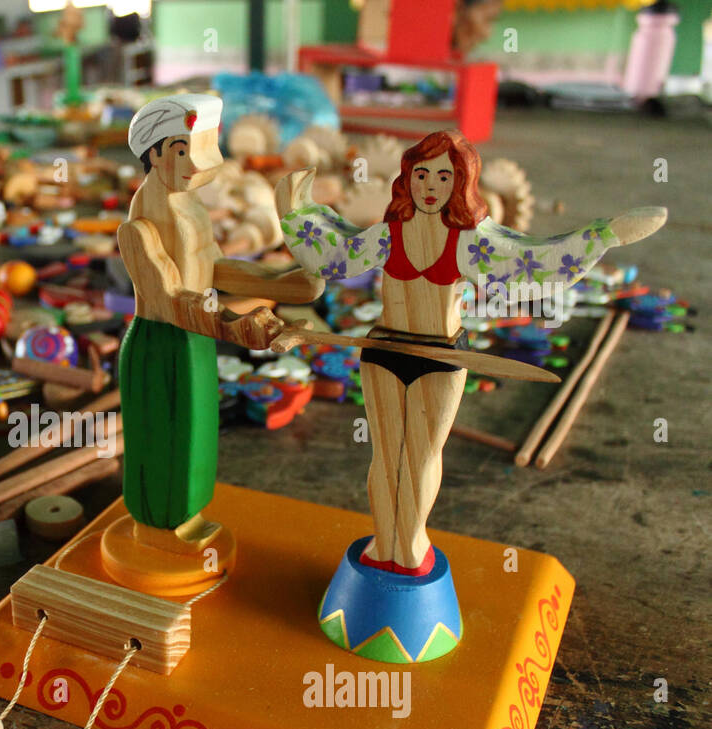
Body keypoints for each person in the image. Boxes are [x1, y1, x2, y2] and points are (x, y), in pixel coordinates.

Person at [277, 129, 665, 575]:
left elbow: (535, 266)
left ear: (461, 183)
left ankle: (410, 544)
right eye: (421, 174)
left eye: (444, 177)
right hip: (382, 351)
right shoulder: (388, 235)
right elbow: (333, 255)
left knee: (421, 457)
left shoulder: (468, 242)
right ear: (407, 178)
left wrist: (605, 236)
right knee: (386, 457)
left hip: (442, 359)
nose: (430, 186)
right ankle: (385, 543)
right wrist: (293, 208)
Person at [118, 93, 322, 555]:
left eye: (203, 148)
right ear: (154, 154)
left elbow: (216, 270)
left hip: (195, 342)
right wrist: (235, 324)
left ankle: (186, 516)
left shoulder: (189, 207)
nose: (200, 163)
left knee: (197, 437)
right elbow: (170, 299)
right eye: (184, 150)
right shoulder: (140, 225)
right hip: (161, 345)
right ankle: (159, 529)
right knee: (165, 439)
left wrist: (288, 284)